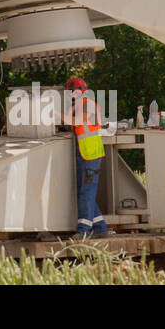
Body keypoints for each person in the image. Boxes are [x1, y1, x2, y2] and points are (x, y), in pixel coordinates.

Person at [62, 76, 108, 237]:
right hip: (85, 153)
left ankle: (83, 230)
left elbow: (76, 122)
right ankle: (100, 227)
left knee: (86, 192)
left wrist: (52, 112)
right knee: (84, 191)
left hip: (91, 154)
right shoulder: (79, 106)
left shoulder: (89, 105)